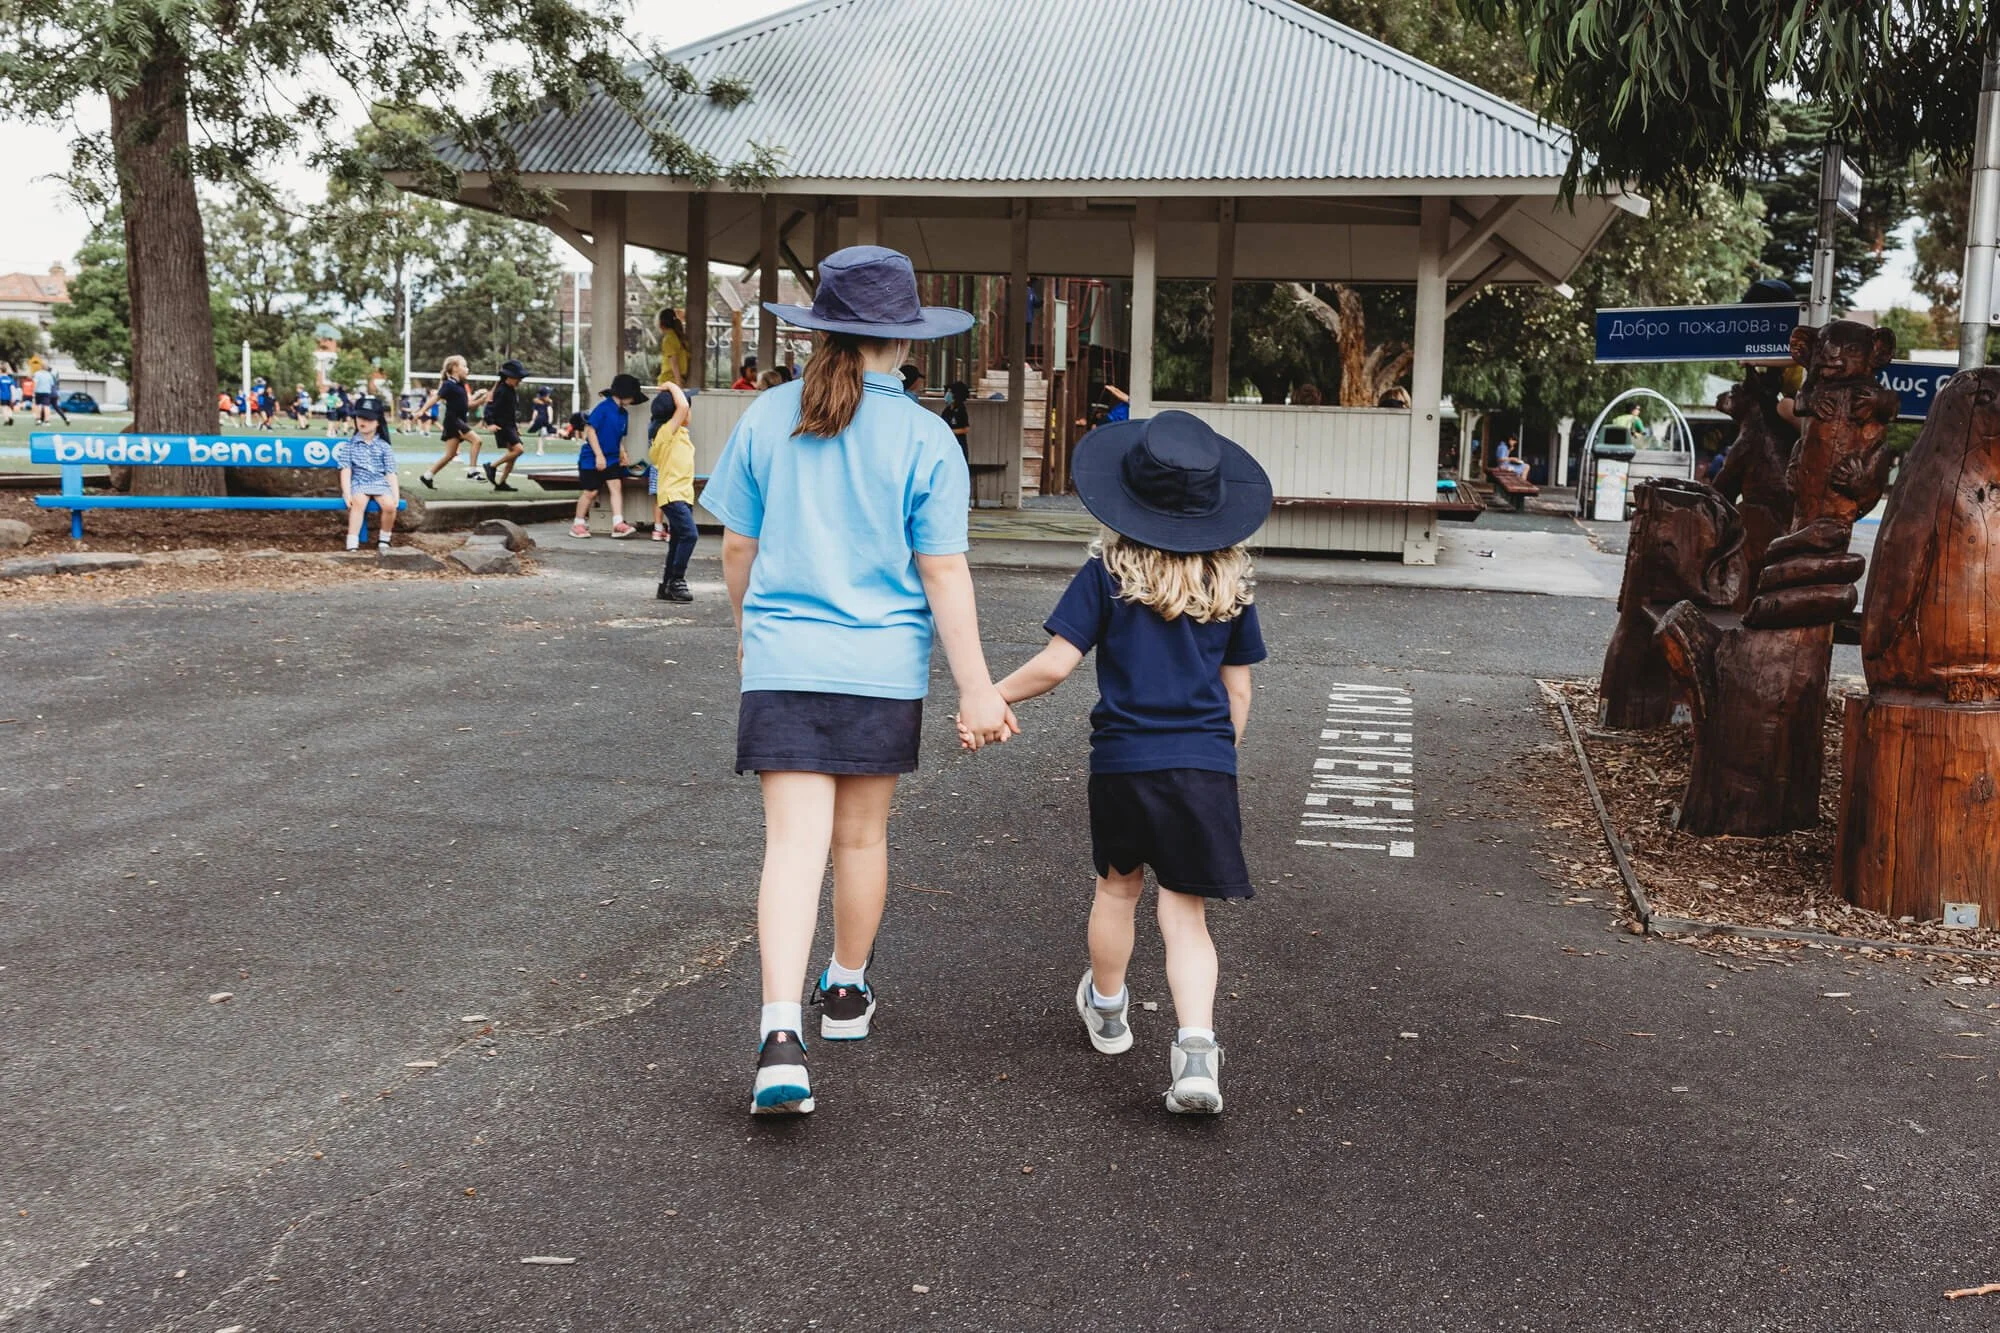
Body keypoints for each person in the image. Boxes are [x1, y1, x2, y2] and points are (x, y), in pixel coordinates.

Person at [700, 245, 1013, 1116]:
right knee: (862, 841)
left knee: (791, 848)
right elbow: (944, 573)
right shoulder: (925, 437)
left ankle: (778, 1038)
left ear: (820, 329)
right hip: (882, 666)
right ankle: (843, 992)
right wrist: (978, 687)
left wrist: (746, 635)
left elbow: (735, 546)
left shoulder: (767, 416)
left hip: (784, 659)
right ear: (903, 342)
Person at [979, 410, 1271, 1115]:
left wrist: (991, 695)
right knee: (1186, 913)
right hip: (1202, 766)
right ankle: (1197, 1051)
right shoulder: (1229, 585)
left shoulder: (1107, 572)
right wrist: (1216, 759)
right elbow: (1239, 689)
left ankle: (1108, 1010)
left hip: (1122, 762)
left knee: (1117, 890)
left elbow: (1057, 662)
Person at [571, 372, 646, 538]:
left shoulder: (624, 414)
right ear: (625, 394)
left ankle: (618, 523)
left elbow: (618, 437)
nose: (633, 401)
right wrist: (599, 455)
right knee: (590, 491)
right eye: (632, 396)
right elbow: (589, 431)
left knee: (616, 487)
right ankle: (578, 524)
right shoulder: (603, 408)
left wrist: (622, 453)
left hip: (612, 459)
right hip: (591, 458)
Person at [647, 382, 698, 601]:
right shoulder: (666, 433)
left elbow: (682, 408)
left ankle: (666, 585)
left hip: (683, 495)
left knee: (677, 540)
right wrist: (671, 385)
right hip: (673, 495)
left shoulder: (679, 434)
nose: (689, 411)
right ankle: (677, 580)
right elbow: (683, 408)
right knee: (690, 535)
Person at [336, 395, 401, 553]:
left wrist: (395, 493)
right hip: (359, 482)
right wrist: (346, 492)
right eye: (359, 417)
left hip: (379, 482)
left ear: (378, 422)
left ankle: (384, 539)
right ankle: (352, 540)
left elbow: (390, 472)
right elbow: (346, 469)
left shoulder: (384, 446)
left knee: (389, 506)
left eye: (369, 419)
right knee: (358, 502)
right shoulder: (350, 445)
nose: (362, 422)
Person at [416, 356, 490, 489]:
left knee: (451, 455)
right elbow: (435, 398)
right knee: (477, 440)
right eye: (464, 366)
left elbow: (467, 405)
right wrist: (422, 410)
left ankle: (427, 476)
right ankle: (472, 472)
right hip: (453, 421)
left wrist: (482, 399)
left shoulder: (460, 385)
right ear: (455, 368)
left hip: (457, 421)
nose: (467, 369)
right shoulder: (448, 384)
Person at [481, 359, 529, 490]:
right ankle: (492, 466)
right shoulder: (501, 390)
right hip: (503, 426)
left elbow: (510, 411)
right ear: (509, 377)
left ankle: (502, 483)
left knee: (513, 455)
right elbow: (489, 407)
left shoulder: (511, 389)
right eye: (517, 377)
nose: (520, 380)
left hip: (510, 426)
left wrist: (515, 427)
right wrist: (490, 423)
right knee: (519, 450)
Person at [658, 307, 691, 387]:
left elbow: (674, 363)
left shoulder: (668, 339)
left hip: (669, 382)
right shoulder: (681, 338)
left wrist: (678, 384)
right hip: (680, 380)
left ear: (661, 324)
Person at [940, 380, 970, 455]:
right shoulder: (947, 410)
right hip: (947, 445)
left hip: (959, 444)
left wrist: (951, 432)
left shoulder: (961, 410)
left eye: (950, 392)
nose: (947, 394)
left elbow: (966, 429)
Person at [529, 385, 556, 454]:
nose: (549, 395)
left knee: (542, 435)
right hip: (544, 420)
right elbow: (549, 410)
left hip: (540, 420)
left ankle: (540, 449)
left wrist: (533, 420)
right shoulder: (548, 402)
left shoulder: (538, 402)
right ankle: (540, 449)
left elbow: (535, 412)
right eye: (548, 393)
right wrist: (550, 419)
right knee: (542, 435)